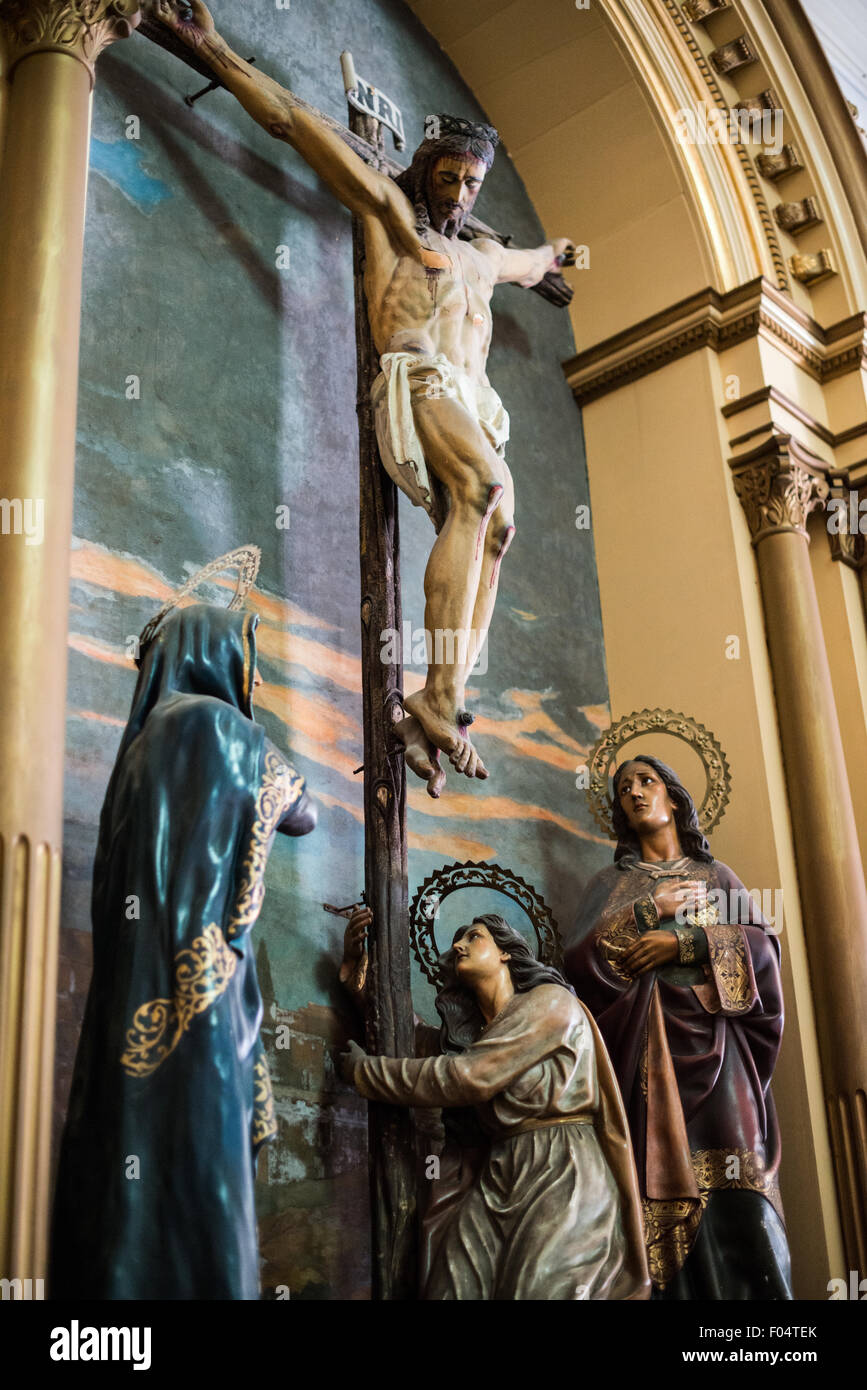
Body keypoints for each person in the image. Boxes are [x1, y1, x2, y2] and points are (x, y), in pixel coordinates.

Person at [156, 0, 576, 796]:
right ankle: (444, 694)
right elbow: (289, 120)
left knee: (501, 525)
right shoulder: (390, 212)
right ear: (423, 171)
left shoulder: (481, 257)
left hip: (473, 395)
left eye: (470, 181)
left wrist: (559, 258)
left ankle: (434, 694)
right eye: (447, 176)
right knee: (481, 490)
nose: (457, 191)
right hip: (414, 375)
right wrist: (211, 50)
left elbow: (531, 259)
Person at [51, 603, 316, 1299]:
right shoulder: (218, 726)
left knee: (133, 1140)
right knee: (204, 1160)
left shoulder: (138, 749)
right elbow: (303, 811)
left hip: (138, 993)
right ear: (218, 654)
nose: (249, 675)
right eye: (246, 657)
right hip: (202, 987)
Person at [565, 755, 793, 1298]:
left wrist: (683, 942)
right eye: (624, 789)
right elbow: (578, 963)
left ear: (673, 796)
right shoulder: (611, 883)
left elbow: (764, 949)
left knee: (742, 1181)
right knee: (659, 1181)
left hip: (721, 1049)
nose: (636, 794)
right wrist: (648, 910)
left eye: (647, 782)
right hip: (650, 1054)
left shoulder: (716, 877)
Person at [340, 908, 650, 1300]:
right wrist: (357, 969)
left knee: (538, 1289)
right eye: (458, 942)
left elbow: (468, 1076)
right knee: (449, 1285)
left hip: (561, 1169)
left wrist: (365, 1073)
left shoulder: (549, 1003)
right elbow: (407, 1037)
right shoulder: (474, 1037)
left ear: (506, 952)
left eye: (474, 937)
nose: (458, 945)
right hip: (500, 1172)